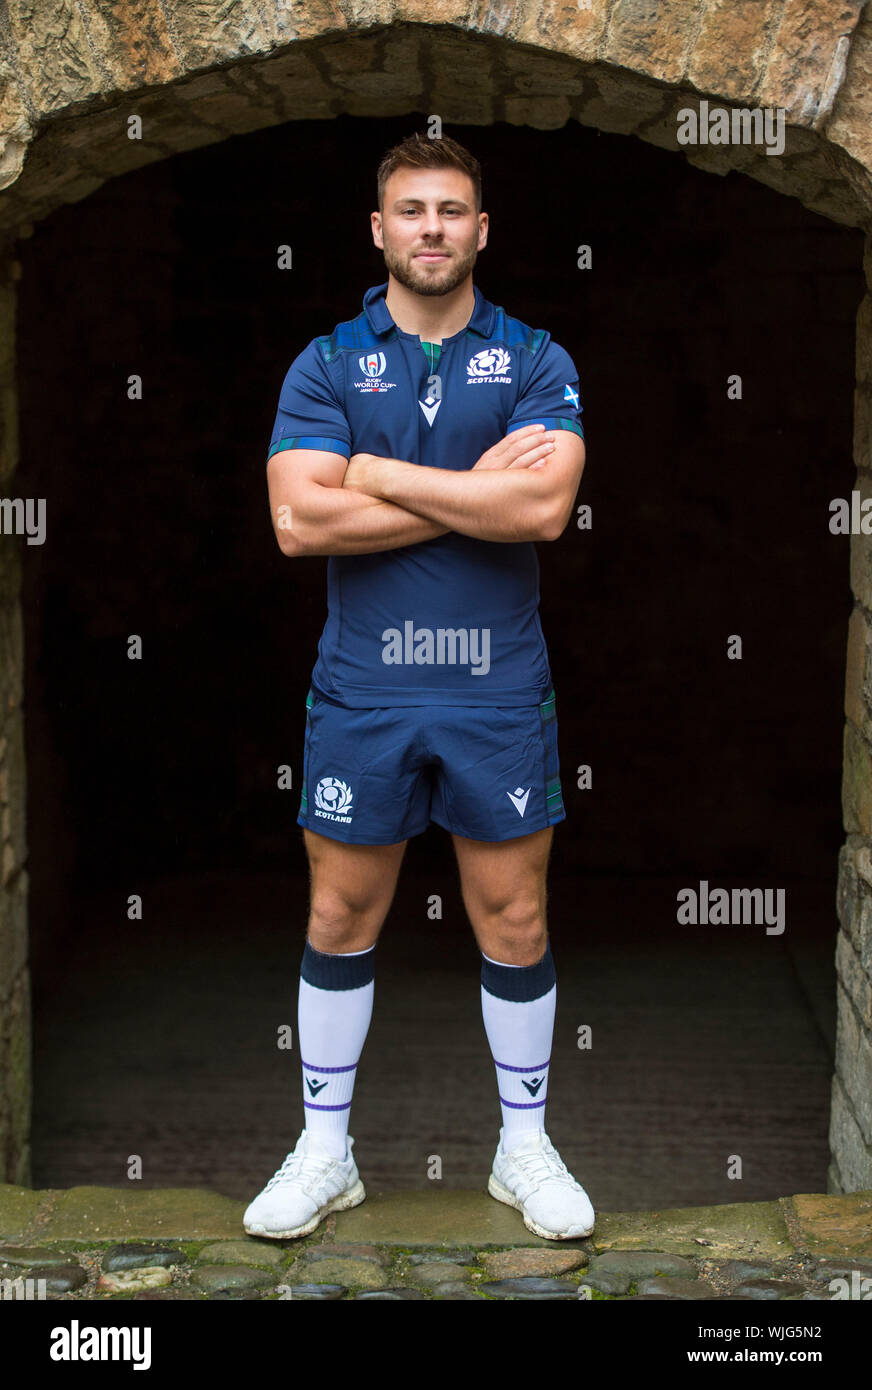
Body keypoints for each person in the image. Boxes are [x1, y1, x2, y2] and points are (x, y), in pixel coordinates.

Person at [245, 130, 594, 1242]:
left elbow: (539, 510)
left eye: (451, 210)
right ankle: (324, 1150)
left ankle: (522, 1148)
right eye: (411, 210)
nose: (431, 229)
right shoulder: (325, 360)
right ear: (378, 229)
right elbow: (299, 520)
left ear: (479, 230)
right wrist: (461, 489)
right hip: (363, 686)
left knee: (514, 914)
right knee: (340, 912)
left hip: (495, 683)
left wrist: (380, 474)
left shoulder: (534, 357)